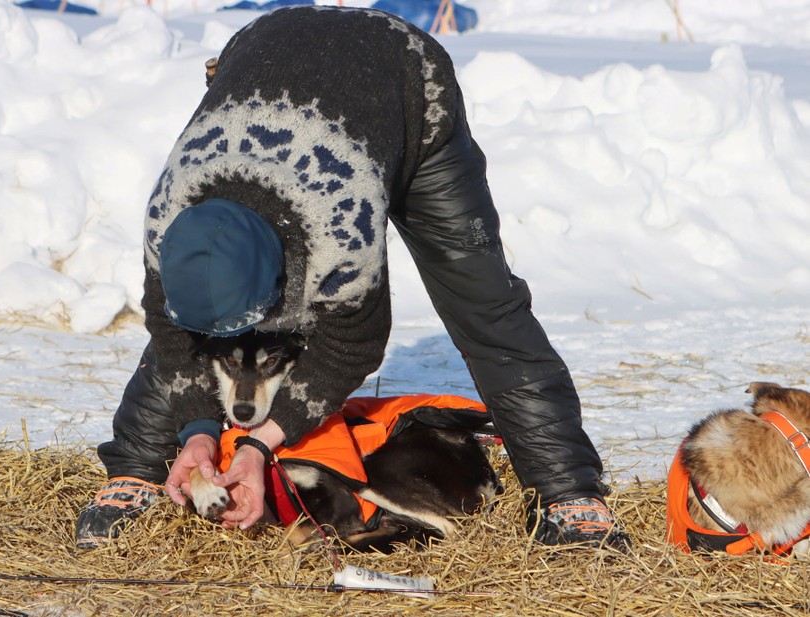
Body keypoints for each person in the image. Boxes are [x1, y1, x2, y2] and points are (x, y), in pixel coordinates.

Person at [75, 5, 629, 552]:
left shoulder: (338, 224)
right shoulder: (167, 219)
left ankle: (569, 495)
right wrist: (198, 434)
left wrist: (260, 444)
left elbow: (351, 347)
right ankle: (136, 470)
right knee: (196, 326)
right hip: (266, 50)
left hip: (404, 82)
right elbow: (174, 339)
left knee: (485, 307)